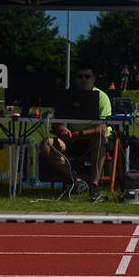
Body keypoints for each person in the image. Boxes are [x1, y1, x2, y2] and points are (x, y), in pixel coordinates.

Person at [40, 66, 112, 200]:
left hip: (92, 139)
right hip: (71, 139)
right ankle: (77, 180)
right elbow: (56, 124)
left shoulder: (102, 97)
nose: (83, 79)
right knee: (46, 144)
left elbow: (102, 129)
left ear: (94, 78)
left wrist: (79, 134)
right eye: (80, 76)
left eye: (87, 76)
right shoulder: (67, 96)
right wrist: (61, 128)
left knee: (100, 138)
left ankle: (94, 184)